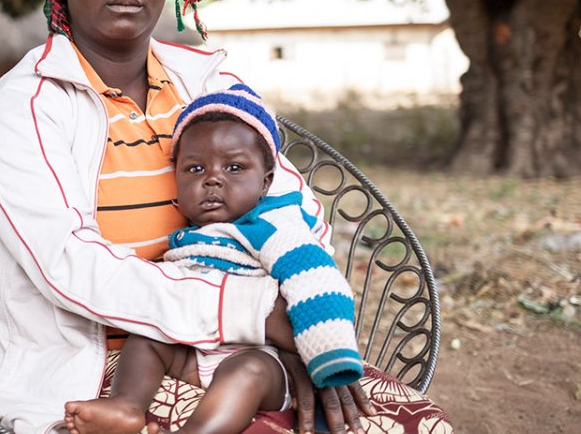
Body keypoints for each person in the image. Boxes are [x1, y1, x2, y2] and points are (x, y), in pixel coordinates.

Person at [0, 0, 451, 433]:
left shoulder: (207, 82)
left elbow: (292, 209)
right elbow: (67, 266)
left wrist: (290, 328)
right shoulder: (24, 103)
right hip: (100, 360)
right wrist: (253, 312)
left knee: (419, 425)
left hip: (244, 343)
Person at [64, 84, 365, 434]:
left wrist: (329, 353)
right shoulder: (189, 235)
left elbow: (315, 277)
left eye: (234, 167)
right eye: (194, 170)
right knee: (145, 337)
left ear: (266, 181)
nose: (213, 179)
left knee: (247, 373)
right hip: (189, 348)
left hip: (261, 357)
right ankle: (125, 407)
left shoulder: (273, 224)